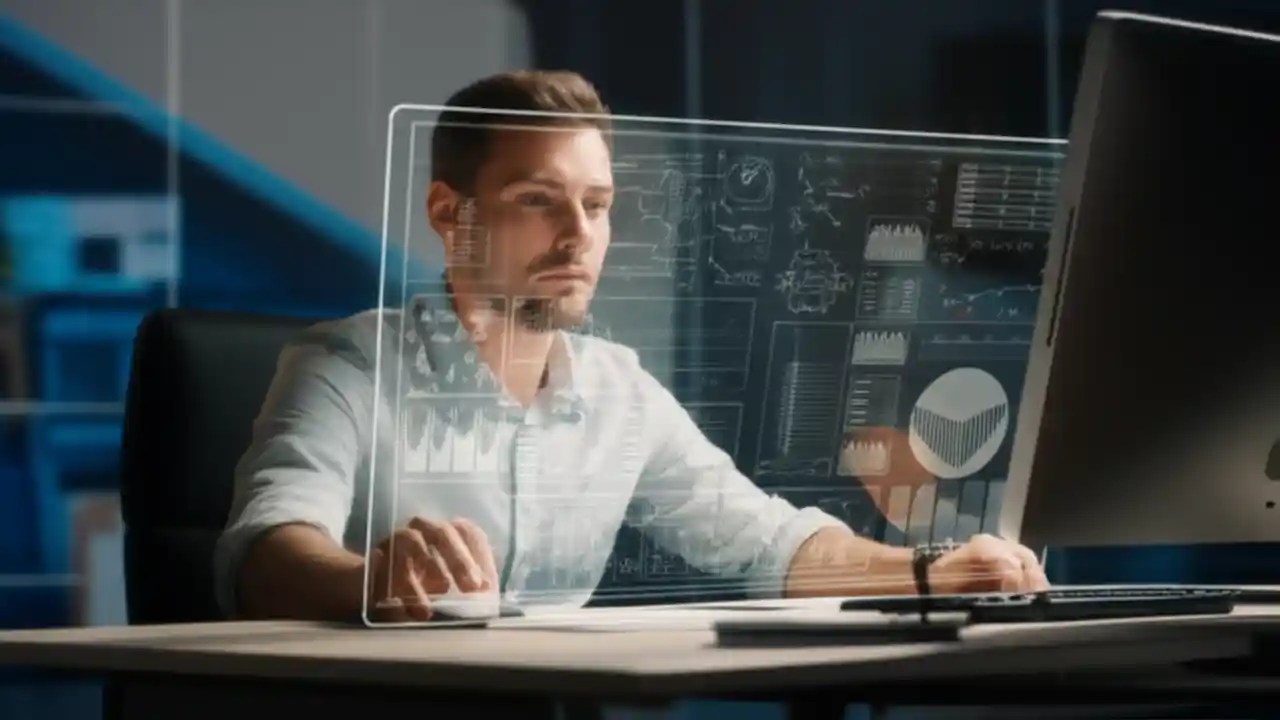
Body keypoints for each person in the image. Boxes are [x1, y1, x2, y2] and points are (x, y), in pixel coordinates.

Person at [214, 69, 1048, 622]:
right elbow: (264, 551)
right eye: (539, 200)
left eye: (599, 204)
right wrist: (371, 582)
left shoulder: (620, 392)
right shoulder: (349, 365)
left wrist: (932, 575)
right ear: (446, 213)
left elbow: (768, 543)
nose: (579, 236)